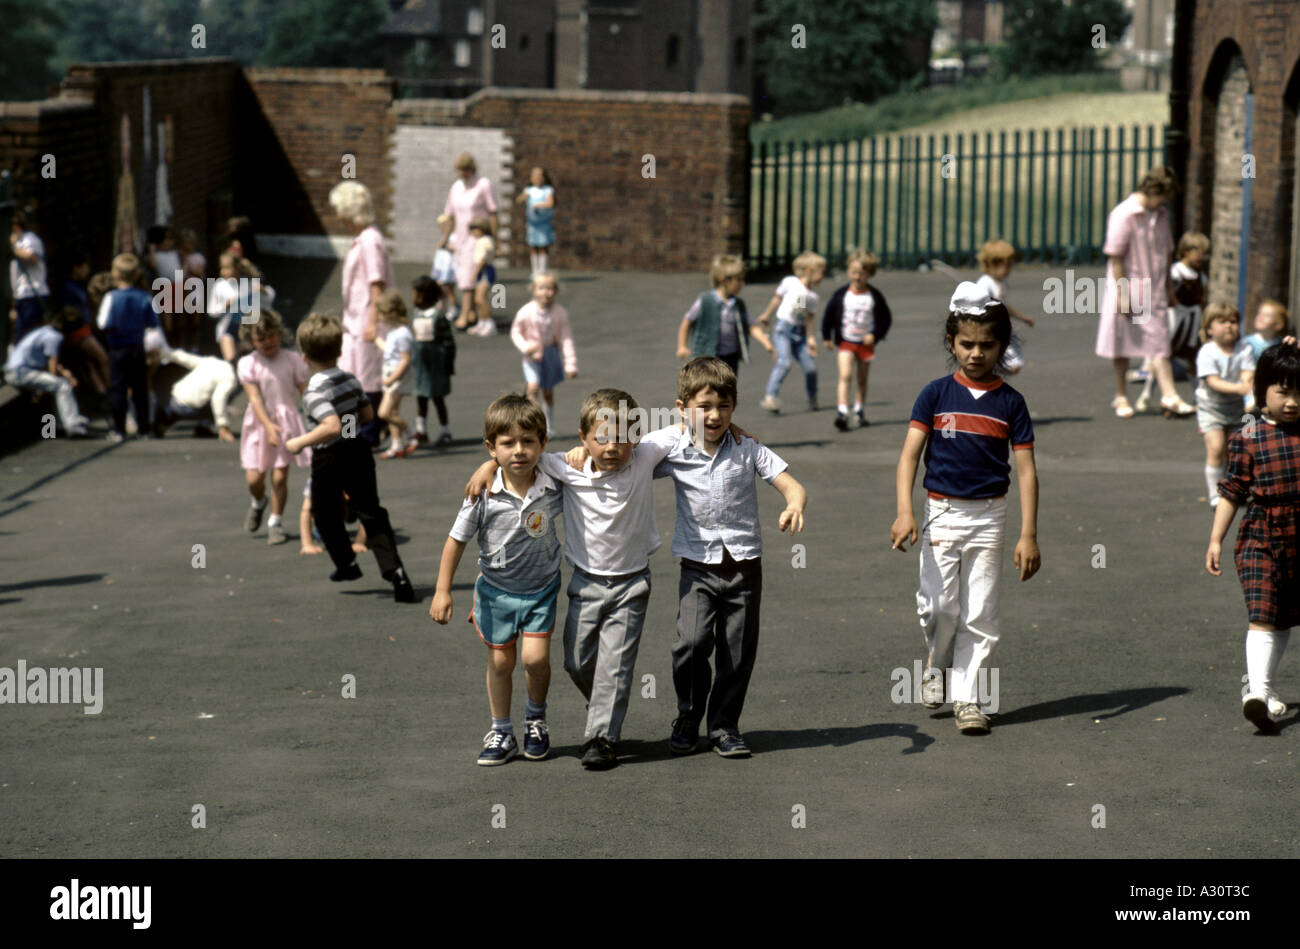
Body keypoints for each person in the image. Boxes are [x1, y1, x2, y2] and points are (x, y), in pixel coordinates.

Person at [466, 389, 681, 770]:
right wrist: (486, 469)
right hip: (584, 583)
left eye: (621, 437)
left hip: (633, 584)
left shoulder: (646, 453)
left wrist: (738, 430)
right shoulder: (563, 465)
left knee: (614, 664)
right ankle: (604, 702)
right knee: (576, 661)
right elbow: (515, 457)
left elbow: (693, 424)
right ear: (583, 437)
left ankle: (601, 738)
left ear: (635, 436)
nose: (611, 446)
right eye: (600, 436)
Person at [889, 282, 1040, 735]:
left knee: (981, 614)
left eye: (987, 345)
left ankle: (968, 699)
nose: (976, 353)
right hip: (941, 513)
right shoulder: (935, 395)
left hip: (990, 517)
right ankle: (936, 665)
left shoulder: (1011, 404)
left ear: (1002, 347)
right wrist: (904, 511)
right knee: (939, 608)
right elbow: (909, 456)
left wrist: (1028, 534)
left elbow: (1028, 471)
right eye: (967, 344)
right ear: (951, 342)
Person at [654, 358, 806, 757]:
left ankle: (724, 726)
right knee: (689, 645)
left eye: (724, 406)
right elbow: (619, 456)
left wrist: (794, 503)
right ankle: (688, 715)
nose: (715, 415)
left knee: (736, 654)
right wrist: (584, 454)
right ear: (682, 407)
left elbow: (791, 484)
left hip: (744, 569)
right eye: (703, 407)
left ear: (734, 406)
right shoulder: (671, 448)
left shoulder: (747, 448)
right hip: (697, 568)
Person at [431, 395, 565, 765]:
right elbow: (455, 540)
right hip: (495, 592)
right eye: (507, 444)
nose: (519, 451)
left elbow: (585, 463)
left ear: (543, 442)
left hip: (541, 590)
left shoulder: (554, 484)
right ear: (492, 448)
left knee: (535, 660)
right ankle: (501, 730)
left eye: (528, 441)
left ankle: (536, 719)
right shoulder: (483, 493)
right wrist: (443, 590)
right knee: (502, 663)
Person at [286, 313, 416, 603]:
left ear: (303, 356)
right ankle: (396, 572)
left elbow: (330, 426)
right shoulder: (350, 378)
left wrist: (298, 441)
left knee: (325, 513)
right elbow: (368, 414)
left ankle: (346, 564)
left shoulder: (314, 390)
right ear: (340, 350)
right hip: (356, 448)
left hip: (329, 455)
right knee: (371, 510)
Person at [1207, 342, 1300, 730]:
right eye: (1283, 391)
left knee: (1282, 619)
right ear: (1262, 392)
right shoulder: (1247, 437)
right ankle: (1257, 694)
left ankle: (1267, 691)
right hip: (1261, 537)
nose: (1293, 401)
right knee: (1262, 615)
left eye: (1299, 391)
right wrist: (1215, 539)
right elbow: (1231, 492)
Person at [1096, 166, 1193, 418]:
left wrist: (1170, 289)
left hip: (1156, 289)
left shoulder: (1160, 215)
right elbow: (1116, 257)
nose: (1165, 202)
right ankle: (1121, 396)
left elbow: (1167, 252)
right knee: (1122, 345)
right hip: (1128, 287)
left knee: (1160, 344)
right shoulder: (1124, 214)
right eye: (1164, 196)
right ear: (1153, 190)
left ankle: (1170, 395)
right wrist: (1122, 294)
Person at [237, 310, 310, 545]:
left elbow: (305, 391)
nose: (267, 342)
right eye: (261, 339)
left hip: (286, 422)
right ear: (251, 341)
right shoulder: (248, 363)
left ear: (279, 334)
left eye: (271, 336)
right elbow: (255, 398)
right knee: (254, 479)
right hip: (259, 423)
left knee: (279, 478)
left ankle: (275, 522)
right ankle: (258, 502)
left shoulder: (292, 359)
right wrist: (268, 426)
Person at [329, 181, 394, 448]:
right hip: (355, 321)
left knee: (368, 380)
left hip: (367, 320)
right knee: (353, 376)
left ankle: (370, 432)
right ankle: (362, 430)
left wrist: (372, 322)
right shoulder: (366, 238)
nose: (338, 216)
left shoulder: (369, 241)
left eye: (340, 210)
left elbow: (376, 283)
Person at [821, 249, 893, 430]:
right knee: (845, 375)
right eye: (853, 272)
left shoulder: (874, 296)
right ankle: (842, 411)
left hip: (865, 344)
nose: (857, 276)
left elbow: (886, 319)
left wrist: (875, 335)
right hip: (846, 341)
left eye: (861, 273)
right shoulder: (841, 295)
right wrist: (826, 337)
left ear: (869, 274)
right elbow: (828, 316)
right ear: (848, 271)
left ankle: (859, 409)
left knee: (862, 379)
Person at [1196, 303, 1255, 509]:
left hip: (1237, 408)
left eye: (1233, 322)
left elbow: (1248, 372)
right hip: (1211, 408)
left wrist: (1247, 384)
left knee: (1236, 450)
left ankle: (1232, 488)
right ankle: (1214, 494)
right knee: (1216, 447)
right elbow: (1213, 382)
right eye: (1222, 322)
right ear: (1209, 329)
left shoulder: (1244, 347)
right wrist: (1241, 388)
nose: (1229, 326)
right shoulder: (1207, 351)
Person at [97, 253, 159, 442]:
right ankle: (144, 429)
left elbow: (102, 323)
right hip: (137, 347)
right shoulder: (144, 296)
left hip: (117, 348)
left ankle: (119, 429)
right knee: (140, 389)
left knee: (119, 389)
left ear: (115, 274)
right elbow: (153, 322)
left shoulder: (111, 297)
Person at [676, 254, 772, 375]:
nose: (742, 284)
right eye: (739, 280)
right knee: (708, 388)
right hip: (707, 357)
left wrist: (765, 342)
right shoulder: (705, 301)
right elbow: (687, 322)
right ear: (723, 280)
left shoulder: (738, 304)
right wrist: (681, 346)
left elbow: (750, 326)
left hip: (730, 357)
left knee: (727, 389)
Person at [756, 250, 824, 413]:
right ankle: (770, 397)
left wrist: (811, 339)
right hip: (783, 329)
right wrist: (767, 315)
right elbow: (777, 299)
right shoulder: (790, 282)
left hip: (800, 334)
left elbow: (808, 319)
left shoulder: (813, 297)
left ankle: (812, 397)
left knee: (810, 368)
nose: (823, 276)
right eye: (821, 272)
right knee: (784, 362)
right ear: (809, 271)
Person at [3, 309, 89, 437]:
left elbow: (49, 362)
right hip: (21, 373)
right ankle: (73, 425)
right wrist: (66, 377)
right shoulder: (55, 337)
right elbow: (52, 366)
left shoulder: (42, 331)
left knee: (55, 385)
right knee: (62, 386)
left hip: (14, 370)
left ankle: (61, 423)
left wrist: (64, 373)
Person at [510, 271, 576, 436]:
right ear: (533, 290)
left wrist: (570, 363)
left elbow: (566, 338)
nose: (545, 292)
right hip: (531, 355)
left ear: (555, 291)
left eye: (550, 288)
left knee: (548, 392)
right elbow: (516, 332)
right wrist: (525, 347)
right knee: (532, 387)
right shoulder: (526, 311)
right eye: (541, 288)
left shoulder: (559, 313)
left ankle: (548, 424)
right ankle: (531, 424)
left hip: (550, 354)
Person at [149, 329, 238, 441]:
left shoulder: (212, 361)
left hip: (176, 398)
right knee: (223, 398)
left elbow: (186, 359)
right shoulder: (230, 377)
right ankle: (203, 426)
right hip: (191, 408)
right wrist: (223, 425)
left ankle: (165, 417)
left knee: (203, 396)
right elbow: (218, 399)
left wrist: (166, 353)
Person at [444, 152, 498, 331]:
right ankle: (474, 313)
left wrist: (494, 238)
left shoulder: (483, 184)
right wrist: (446, 237)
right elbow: (449, 214)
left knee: (469, 276)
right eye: (461, 170)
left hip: (477, 237)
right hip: (460, 237)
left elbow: (492, 211)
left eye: (467, 169)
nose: (464, 173)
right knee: (463, 274)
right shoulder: (456, 187)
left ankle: (465, 314)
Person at [973, 239, 1035, 375]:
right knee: (1009, 365)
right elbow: (979, 307)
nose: (1009, 270)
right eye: (1006, 266)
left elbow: (1004, 306)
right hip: (989, 330)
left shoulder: (1002, 283)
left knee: (1014, 365)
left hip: (1001, 328)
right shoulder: (985, 284)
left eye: (1010, 265)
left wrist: (1023, 318)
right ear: (991, 264)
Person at [56, 252, 110, 399]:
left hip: (84, 328)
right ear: (76, 268)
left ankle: (102, 393)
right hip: (78, 331)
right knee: (102, 358)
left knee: (90, 363)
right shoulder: (67, 288)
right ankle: (112, 390)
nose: (87, 270)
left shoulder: (78, 286)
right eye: (84, 267)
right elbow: (68, 313)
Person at [410, 275, 456, 447]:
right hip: (420, 365)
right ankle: (421, 430)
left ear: (424, 295)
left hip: (436, 365)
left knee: (438, 398)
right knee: (420, 397)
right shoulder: (416, 314)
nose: (413, 297)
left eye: (415, 293)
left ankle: (445, 430)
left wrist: (448, 363)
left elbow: (449, 342)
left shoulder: (438, 316)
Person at [374, 290, 418, 459]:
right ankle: (396, 445)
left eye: (381, 313)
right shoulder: (394, 331)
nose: (379, 316)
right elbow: (391, 352)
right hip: (392, 374)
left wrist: (391, 379)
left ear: (391, 313)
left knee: (383, 413)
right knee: (392, 412)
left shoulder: (403, 334)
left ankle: (411, 433)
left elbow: (405, 360)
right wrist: (376, 340)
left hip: (398, 377)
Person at [9, 207, 50, 344]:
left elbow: (32, 258)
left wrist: (13, 247)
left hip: (33, 294)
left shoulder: (30, 240)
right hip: (21, 295)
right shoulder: (18, 243)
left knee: (27, 335)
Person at [516, 166, 555, 276]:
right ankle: (535, 270)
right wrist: (524, 197)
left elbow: (550, 203)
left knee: (543, 245)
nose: (536, 178)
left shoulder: (548, 190)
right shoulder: (529, 190)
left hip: (543, 223)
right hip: (532, 224)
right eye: (534, 175)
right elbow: (519, 200)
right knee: (533, 245)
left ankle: (542, 270)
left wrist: (538, 205)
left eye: (539, 175)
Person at [465, 216, 497, 336]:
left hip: (485, 271)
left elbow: (482, 259)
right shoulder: (482, 240)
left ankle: (489, 323)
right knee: (478, 299)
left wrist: (474, 273)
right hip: (482, 271)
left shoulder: (485, 241)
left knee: (480, 298)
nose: (473, 233)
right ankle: (482, 322)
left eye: (475, 230)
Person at [431, 213, 460, 322]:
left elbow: (454, 248)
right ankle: (441, 307)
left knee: (449, 288)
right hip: (441, 266)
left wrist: (446, 245)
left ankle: (454, 307)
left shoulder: (453, 236)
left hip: (449, 266)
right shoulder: (445, 236)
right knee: (440, 287)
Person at [1243, 299, 1291, 363]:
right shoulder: (1247, 342)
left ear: (1278, 324)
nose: (1260, 317)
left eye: (1267, 315)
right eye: (1259, 313)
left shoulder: (1280, 345)